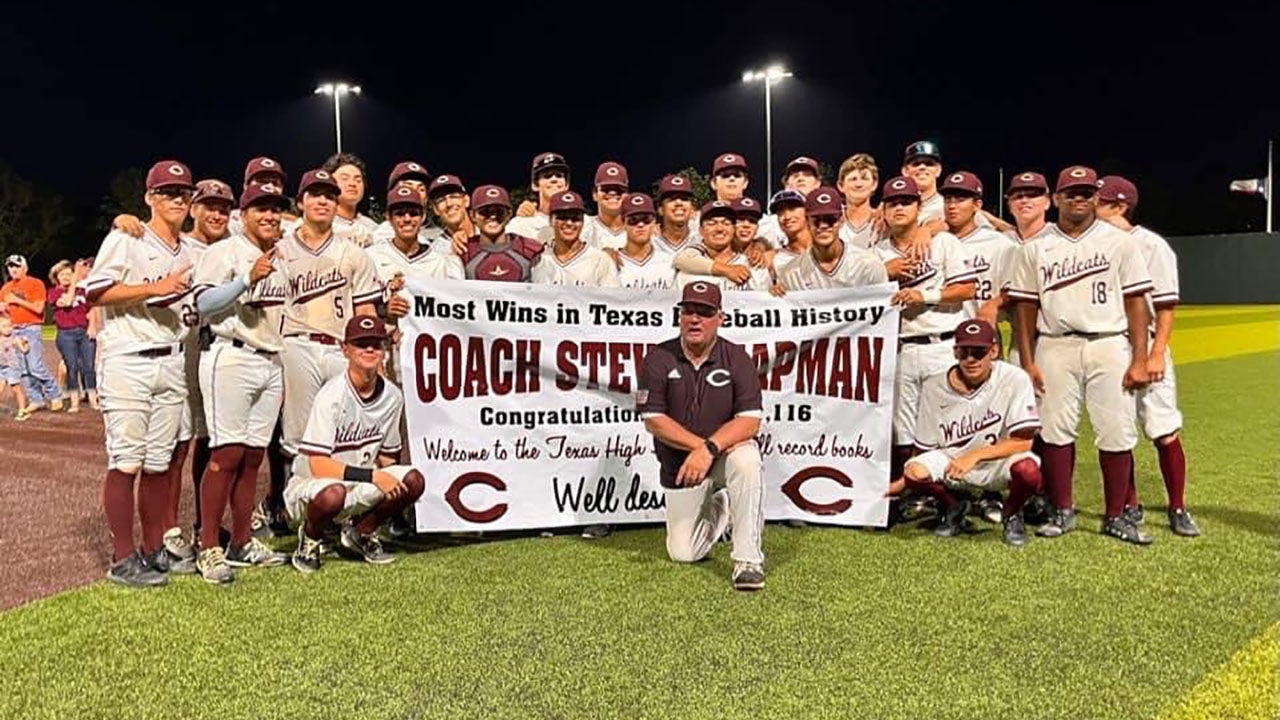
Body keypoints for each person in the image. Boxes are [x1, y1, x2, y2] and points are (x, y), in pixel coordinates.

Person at [1006, 165, 1155, 545]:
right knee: (1055, 429)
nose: (1079, 198)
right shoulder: (1035, 247)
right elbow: (1024, 307)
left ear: (1096, 197)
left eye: (1087, 192)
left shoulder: (1120, 242)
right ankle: (1063, 508)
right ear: (1056, 199)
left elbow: (1136, 301)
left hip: (1109, 340)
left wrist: (1140, 357)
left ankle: (1116, 514)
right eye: (1071, 192)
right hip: (1055, 342)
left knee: (1117, 429)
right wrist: (1027, 358)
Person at [83, 160, 200, 586]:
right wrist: (154, 288)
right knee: (127, 461)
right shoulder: (126, 237)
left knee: (157, 463)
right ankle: (123, 556)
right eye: (167, 191)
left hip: (171, 358)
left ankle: (153, 550)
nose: (177, 199)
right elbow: (93, 293)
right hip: (128, 358)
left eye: (183, 192)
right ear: (149, 197)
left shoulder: (190, 249)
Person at [190, 181, 293, 582]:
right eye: (260, 208)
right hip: (230, 355)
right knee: (227, 454)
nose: (269, 215)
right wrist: (246, 279)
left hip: (269, 359)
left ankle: (242, 541)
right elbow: (202, 304)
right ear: (244, 214)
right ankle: (209, 546)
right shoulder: (224, 252)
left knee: (252, 458)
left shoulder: (278, 256)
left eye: (274, 209)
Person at [269, 168, 381, 534]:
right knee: (297, 437)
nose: (322, 201)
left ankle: (341, 512)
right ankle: (295, 511)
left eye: (329, 196)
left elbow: (364, 311)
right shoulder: (279, 248)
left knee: (345, 434)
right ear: (299, 202)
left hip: (338, 349)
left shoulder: (353, 252)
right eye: (314, 194)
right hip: (295, 344)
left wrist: (365, 356)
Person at [636, 282, 766, 591]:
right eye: (688, 311)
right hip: (683, 469)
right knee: (684, 553)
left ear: (720, 318)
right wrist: (699, 449)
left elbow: (750, 421)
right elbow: (653, 420)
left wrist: (710, 449)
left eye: (705, 313)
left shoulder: (737, 357)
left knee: (747, 460)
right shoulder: (658, 357)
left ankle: (748, 560)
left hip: (723, 456)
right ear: (679, 316)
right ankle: (721, 506)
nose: (695, 319)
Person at [1096, 175, 1200, 537]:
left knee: (1163, 429)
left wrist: (1156, 354)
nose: (1090, 205)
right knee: (1117, 431)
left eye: (1098, 199)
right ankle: (1130, 503)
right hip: (1110, 344)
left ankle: (1177, 507)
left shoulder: (1151, 246)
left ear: (1119, 205)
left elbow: (1166, 307)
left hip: (1149, 340)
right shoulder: (1094, 244)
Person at [286, 316, 426, 573]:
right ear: (345, 350)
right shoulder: (331, 396)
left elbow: (388, 458)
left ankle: (360, 532)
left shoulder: (393, 397)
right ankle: (311, 538)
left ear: (384, 351)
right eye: (362, 344)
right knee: (334, 493)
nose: (370, 350)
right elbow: (318, 465)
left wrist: (394, 490)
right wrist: (374, 477)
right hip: (312, 488)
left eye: (376, 343)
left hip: (360, 486)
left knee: (413, 480)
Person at [889, 319, 1044, 545]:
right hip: (953, 464)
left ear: (994, 351)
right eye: (964, 352)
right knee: (915, 471)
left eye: (979, 352)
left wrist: (975, 455)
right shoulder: (934, 385)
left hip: (996, 463)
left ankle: (1012, 513)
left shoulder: (1014, 378)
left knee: (1028, 471)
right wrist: (899, 485)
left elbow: (1023, 443)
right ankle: (953, 507)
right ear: (955, 352)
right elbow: (924, 449)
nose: (971, 359)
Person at [873, 176, 977, 484]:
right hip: (902, 346)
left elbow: (967, 288)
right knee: (902, 426)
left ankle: (958, 489)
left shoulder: (944, 242)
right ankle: (915, 492)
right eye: (893, 203)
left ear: (919, 207)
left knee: (948, 420)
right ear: (884, 211)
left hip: (942, 344)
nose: (899, 208)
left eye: (906, 201)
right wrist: (882, 274)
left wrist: (925, 295)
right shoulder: (877, 253)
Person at [370, 182, 465, 382]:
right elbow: (360, 305)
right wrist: (384, 310)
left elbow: (451, 311)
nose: (407, 219)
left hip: (428, 359)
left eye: (413, 213)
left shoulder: (440, 260)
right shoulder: (371, 256)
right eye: (400, 213)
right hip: (385, 354)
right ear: (388, 217)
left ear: (422, 217)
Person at [774, 188, 888, 292]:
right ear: (807, 221)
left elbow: (884, 308)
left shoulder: (868, 265)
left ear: (841, 221)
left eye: (830, 219)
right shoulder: (790, 274)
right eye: (816, 220)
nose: (823, 226)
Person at [3, 255, 63, 414]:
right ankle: (36, 399)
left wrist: (16, 300)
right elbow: (5, 312)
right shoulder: (5, 288)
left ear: (25, 268)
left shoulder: (35, 283)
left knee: (35, 366)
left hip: (31, 327)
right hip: (14, 330)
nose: (13, 269)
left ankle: (55, 394)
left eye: (16, 266)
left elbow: (38, 309)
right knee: (22, 368)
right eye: (10, 267)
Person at [672, 201, 770, 292]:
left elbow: (768, 304)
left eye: (726, 223)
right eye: (712, 223)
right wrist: (728, 270)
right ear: (701, 230)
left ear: (733, 229)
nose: (719, 228)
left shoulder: (755, 265)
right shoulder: (688, 268)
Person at [532, 191, 620, 288]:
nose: (569, 223)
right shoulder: (538, 261)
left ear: (582, 222)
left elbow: (612, 300)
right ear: (551, 221)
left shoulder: (600, 260)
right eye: (562, 217)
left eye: (575, 218)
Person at [461, 185, 546, 282]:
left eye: (499, 211)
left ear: (509, 214)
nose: (493, 216)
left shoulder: (529, 250)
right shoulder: (464, 252)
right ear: (472, 216)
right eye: (485, 212)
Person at [49, 259, 97, 413]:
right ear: (56, 277)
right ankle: (74, 402)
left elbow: (92, 309)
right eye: (62, 274)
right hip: (66, 334)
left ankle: (93, 400)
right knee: (72, 367)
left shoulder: (83, 291)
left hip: (84, 332)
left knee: (89, 367)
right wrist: (76, 277)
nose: (66, 277)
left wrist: (92, 326)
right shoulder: (54, 292)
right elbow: (67, 302)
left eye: (68, 274)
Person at [372, 161, 443, 248]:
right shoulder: (379, 235)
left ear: (427, 198)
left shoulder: (440, 236)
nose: (415, 193)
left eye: (421, 189)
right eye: (408, 187)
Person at [507, 152, 570, 243]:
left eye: (559, 175)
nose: (554, 179)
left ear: (566, 185)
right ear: (535, 185)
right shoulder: (521, 224)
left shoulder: (583, 222)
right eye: (547, 176)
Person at [615, 193, 676, 289]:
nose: (640, 225)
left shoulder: (670, 262)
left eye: (646, 219)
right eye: (633, 220)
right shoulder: (612, 262)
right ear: (623, 224)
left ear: (654, 222)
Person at [320, 153, 380, 248]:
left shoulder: (373, 228)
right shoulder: (320, 225)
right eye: (345, 178)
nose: (352, 184)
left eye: (358, 180)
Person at [836, 153, 882, 250]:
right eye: (853, 179)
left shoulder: (884, 220)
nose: (858, 184)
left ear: (874, 184)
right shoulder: (833, 222)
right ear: (841, 186)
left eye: (864, 178)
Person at [581, 162, 629, 250]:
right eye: (606, 189)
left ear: (627, 195)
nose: (612, 193)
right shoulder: (582, 226)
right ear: (594, 194)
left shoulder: (640, 229)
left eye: (619, 189)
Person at [653, 175, 700, 258]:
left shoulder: (702, 241)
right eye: (672, 199)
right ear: (660, 209)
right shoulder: (649, 244)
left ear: (692, 208)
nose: (679, 203)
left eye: (684, 199)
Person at [0, 314, 30, 418]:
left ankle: (22, 410)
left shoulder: (15, 339)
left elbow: (24, 350)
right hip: (1, 367)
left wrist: (26, 343)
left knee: (16, 388)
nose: (8, 329)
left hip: (12, 367)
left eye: (9, 326)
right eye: (4, 326)